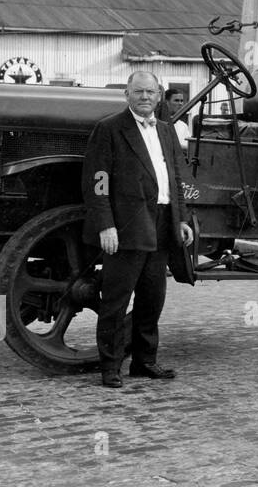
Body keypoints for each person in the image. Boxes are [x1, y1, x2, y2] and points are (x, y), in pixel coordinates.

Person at [82, 71, 194, 388]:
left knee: (152, 298)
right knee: (116, 301)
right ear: (127, 95)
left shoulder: (167, 131)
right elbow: (97, 182)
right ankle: (110, 367)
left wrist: (181, 219)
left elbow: (177, 179)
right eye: (138, 91)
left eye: (150, 92)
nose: (145, 97)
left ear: (159, 96)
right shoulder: (109, 129)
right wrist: (106, 225)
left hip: (161, 225)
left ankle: (144, 363)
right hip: (126, 227)